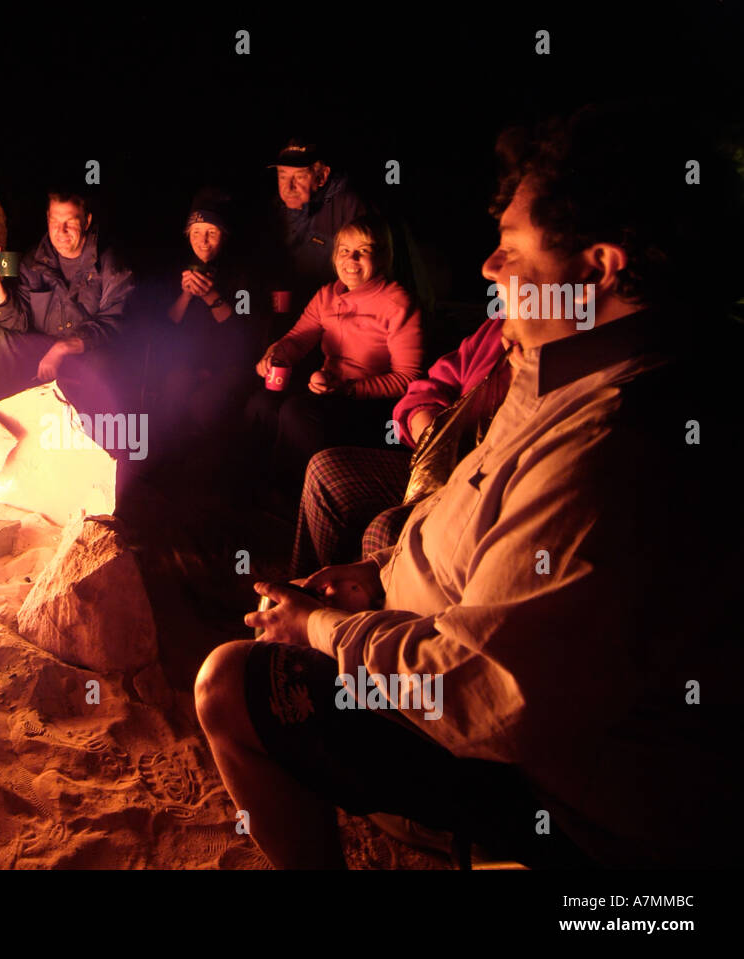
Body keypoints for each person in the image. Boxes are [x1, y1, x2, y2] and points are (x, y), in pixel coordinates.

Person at [196, 101, 744, 869]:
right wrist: (376, 578)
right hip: (490, 691)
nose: (490, 266)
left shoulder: (619, 444)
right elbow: (470, 513)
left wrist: (319, 630)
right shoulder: (551, 365)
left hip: (574, 797)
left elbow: (479, 694)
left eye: (512, 249)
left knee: (230, 684)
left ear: (600, 265)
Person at [290, 313, 511, 576]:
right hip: (435, 463)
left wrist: (350, 389)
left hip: (491, 488)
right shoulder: (500, 326)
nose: (490, 270)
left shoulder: (558, 349)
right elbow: (432, 385)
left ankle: (363, 611)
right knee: (323, 465)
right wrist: (428, 429)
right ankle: (303, 591)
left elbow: (405, 377)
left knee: (386, 529)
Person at [246, 214, 424, 497]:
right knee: (261, 403)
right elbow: (297, 340)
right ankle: (255, 491)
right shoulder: (327, 295)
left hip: (370, 404)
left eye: (363, 251)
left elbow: (408, 378)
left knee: (297, 414)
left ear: (382, 257)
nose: (351, 259)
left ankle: (303, 500)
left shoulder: (397, 302)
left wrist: (349, 388)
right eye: (344, 250)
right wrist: (275, 355)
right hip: (329, 391)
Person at [0, 190, 135, 423]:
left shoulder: (110, 264)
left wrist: (62, 348)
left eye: (70, 222)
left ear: (87, 221)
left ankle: (90, 444)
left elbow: (113, 323)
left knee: (102, 367)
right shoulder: (33, 261)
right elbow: (15, 322)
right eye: (55, 221)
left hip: (86, 354)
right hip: (42, 351)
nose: (61, 231)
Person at [156, 190, 258, 450]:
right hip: (187, 360)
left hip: (228, 364)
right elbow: (166, 324)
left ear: (224, 235)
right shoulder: (176, 268)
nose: (203, 241)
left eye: (211, 233)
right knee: (172, 390)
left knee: (205, 406)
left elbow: (242, 331)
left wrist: (211, 296)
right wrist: (187, 295)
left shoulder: (242, 274)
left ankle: (213, 463)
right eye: (196, 232)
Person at [260, 139, 368, 339]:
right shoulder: (274, 209)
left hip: (333, 321)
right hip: (285, 315)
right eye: (282, 176)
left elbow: (366, 274)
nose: (289, 186)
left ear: (322, 176)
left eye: (299, 176)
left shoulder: (348, 206)